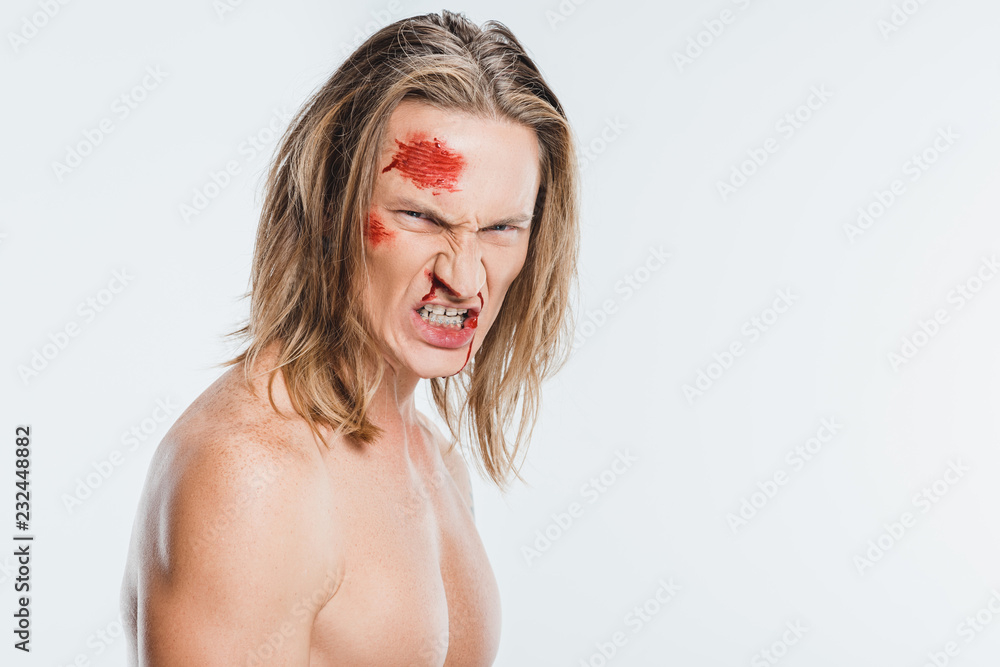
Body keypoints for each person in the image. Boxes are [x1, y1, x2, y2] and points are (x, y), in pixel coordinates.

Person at [120, 9, 578, 665]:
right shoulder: (255, 472)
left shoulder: (435, 458)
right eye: (420, 216)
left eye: (501, 228)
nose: (464, 275)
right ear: (331, 206)